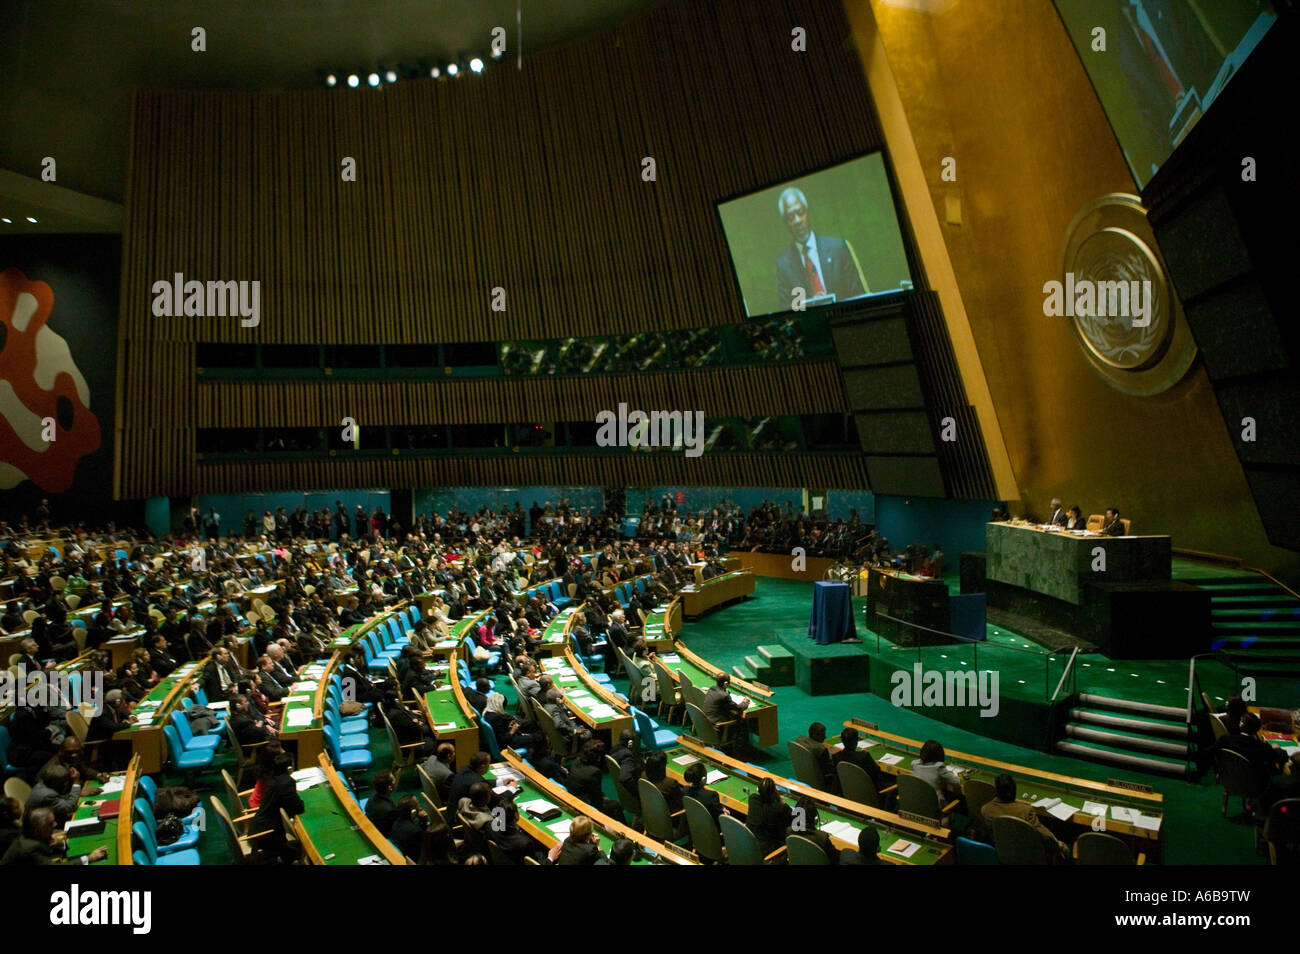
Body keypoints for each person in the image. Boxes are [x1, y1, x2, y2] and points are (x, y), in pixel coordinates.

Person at [774, 186, 866, 307]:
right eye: (790, 217)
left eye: (800, 212)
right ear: (786, 223)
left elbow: (859, 296)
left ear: (807, 212)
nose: (797, 221)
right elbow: (788, 312)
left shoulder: (838, 249)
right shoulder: (783, 265)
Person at [981, 773, 1065, 859]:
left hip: (1002, 855)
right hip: (1028, 857)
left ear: (996, 791)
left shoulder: (986, 810)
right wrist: (1058, 844)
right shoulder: (1025, 811)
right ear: (1013, 791)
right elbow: (1045, 836)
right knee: (1063, 849)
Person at [1, 807, 108, 865]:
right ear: (40, 830)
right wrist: (89, 858)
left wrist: (58, 843)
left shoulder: (32, 835)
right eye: (51, 823)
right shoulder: (30, 848)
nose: (55, 825)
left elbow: (50, 847)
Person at [250, 752, 305, 863]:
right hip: (268, 836)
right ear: (289, 768)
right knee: (300, 850)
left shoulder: (274, 779)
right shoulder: (285, 783)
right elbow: (298, 808)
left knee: (296, 844)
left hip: (260, 829)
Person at [746, 777, 793, 857]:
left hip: (750, 845)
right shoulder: (780, 808)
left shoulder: (753, 800)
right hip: (770, 850)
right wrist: (779, 799)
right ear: (774, 792)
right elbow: (792, 818)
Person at [832, 727, 886, 793]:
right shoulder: (864, 756)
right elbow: (877, 772)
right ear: (856, 741)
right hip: (865, 792)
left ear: (842, 740)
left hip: (845, 791)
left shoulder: (836, 757)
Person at [794, 721, 834, 791]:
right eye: (822, 735)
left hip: (802, 773)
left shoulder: (799, 740)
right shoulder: (821, 749)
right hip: (818, 778)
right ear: (814, 735)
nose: (825, 737)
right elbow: (827, 768)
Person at [390, 795, 430, 861]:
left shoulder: (396, 823)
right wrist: (424, 822)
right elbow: (426, 849)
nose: (420, 808)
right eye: (417, 805)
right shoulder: (415, 831)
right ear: (413, 811)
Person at [365, 770, 399, 837]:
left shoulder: (373, 795)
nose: (396, 780)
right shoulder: (390, 810)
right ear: (389, 788)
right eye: (394, 779)